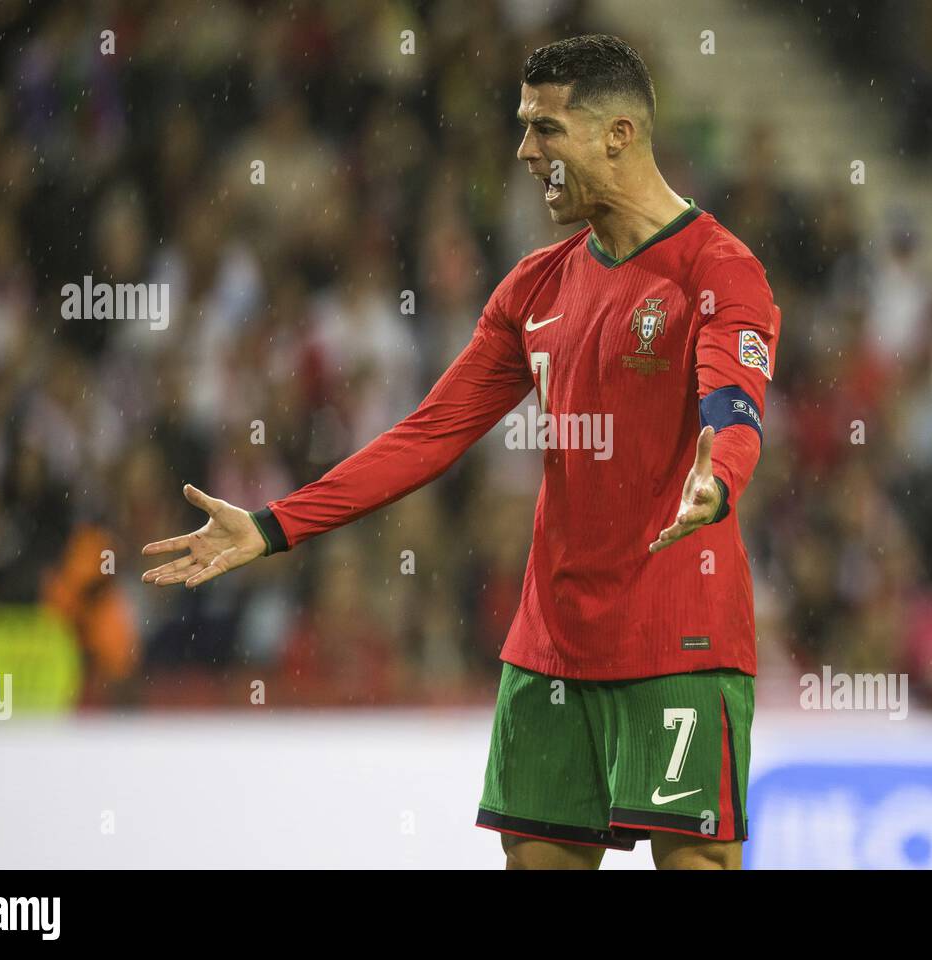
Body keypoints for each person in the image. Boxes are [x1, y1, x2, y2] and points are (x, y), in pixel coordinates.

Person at [142, 34, 781, 870]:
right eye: (523, 128)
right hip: (551, 642)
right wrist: (273, 524)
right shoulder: (533, 288)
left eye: (546, 129)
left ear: (618, 134)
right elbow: (428, 434)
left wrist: (719, 477)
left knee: (696, 865)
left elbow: (733, 404)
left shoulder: (719, 268)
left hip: (679, 633)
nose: (523, 151)